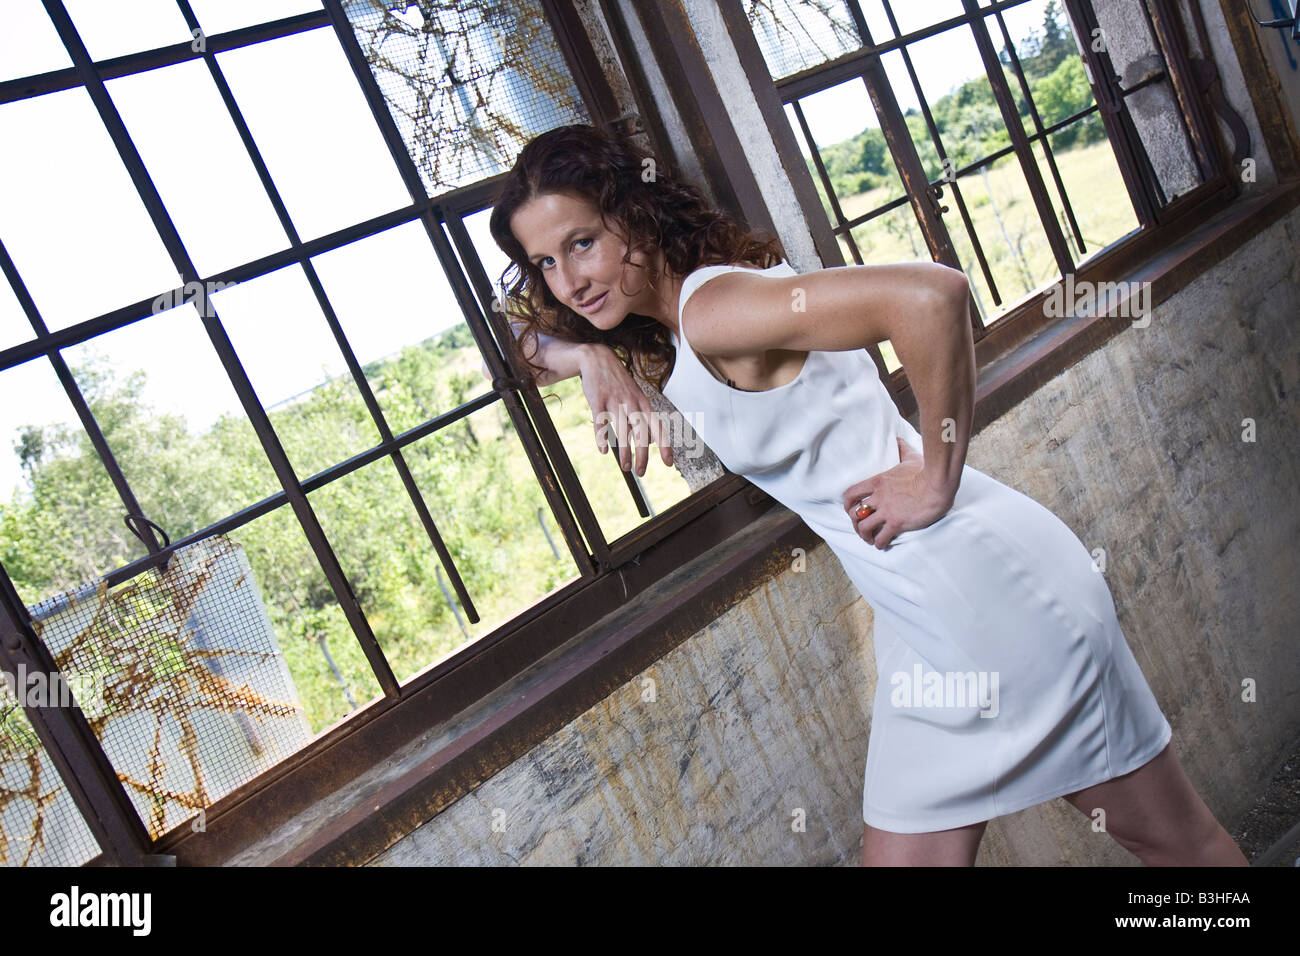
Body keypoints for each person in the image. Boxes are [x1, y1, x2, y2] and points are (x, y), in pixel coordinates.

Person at [485, 123, 1248, 867]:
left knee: (1175, 846)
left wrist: (935, 472)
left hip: (988, 604)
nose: (568, 280)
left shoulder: (713, 312)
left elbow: (928, 295)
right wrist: (589, 356)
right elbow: (516, 345)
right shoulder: (679, 314)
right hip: (920, 625)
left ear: (634, 214)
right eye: (544, 262)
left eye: (581, 242)